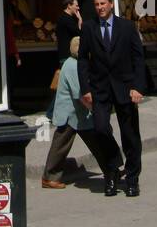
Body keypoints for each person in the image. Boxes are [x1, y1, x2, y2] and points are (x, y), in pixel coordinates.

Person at [77, 0, 146, 198]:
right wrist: (85, 89)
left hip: (125, 88)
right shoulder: (88, 28)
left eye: (103, 4)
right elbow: (82, 59)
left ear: (111, 4)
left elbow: (138, 58)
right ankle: (112, 170)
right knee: (100, 129)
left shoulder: (126, 27)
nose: (100, 8)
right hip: (100, 89)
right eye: (97, 5)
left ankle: (132, 179)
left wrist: (137, 87)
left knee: (130, 135)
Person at [42, 37, 111, 188]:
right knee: (62, 145)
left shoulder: (74, 63)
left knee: (95, 143)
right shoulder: (74, 66)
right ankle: (50, 177)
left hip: (78, 114)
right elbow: (81, 94)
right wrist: (96, 109)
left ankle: (111, 171)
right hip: (70, 114)